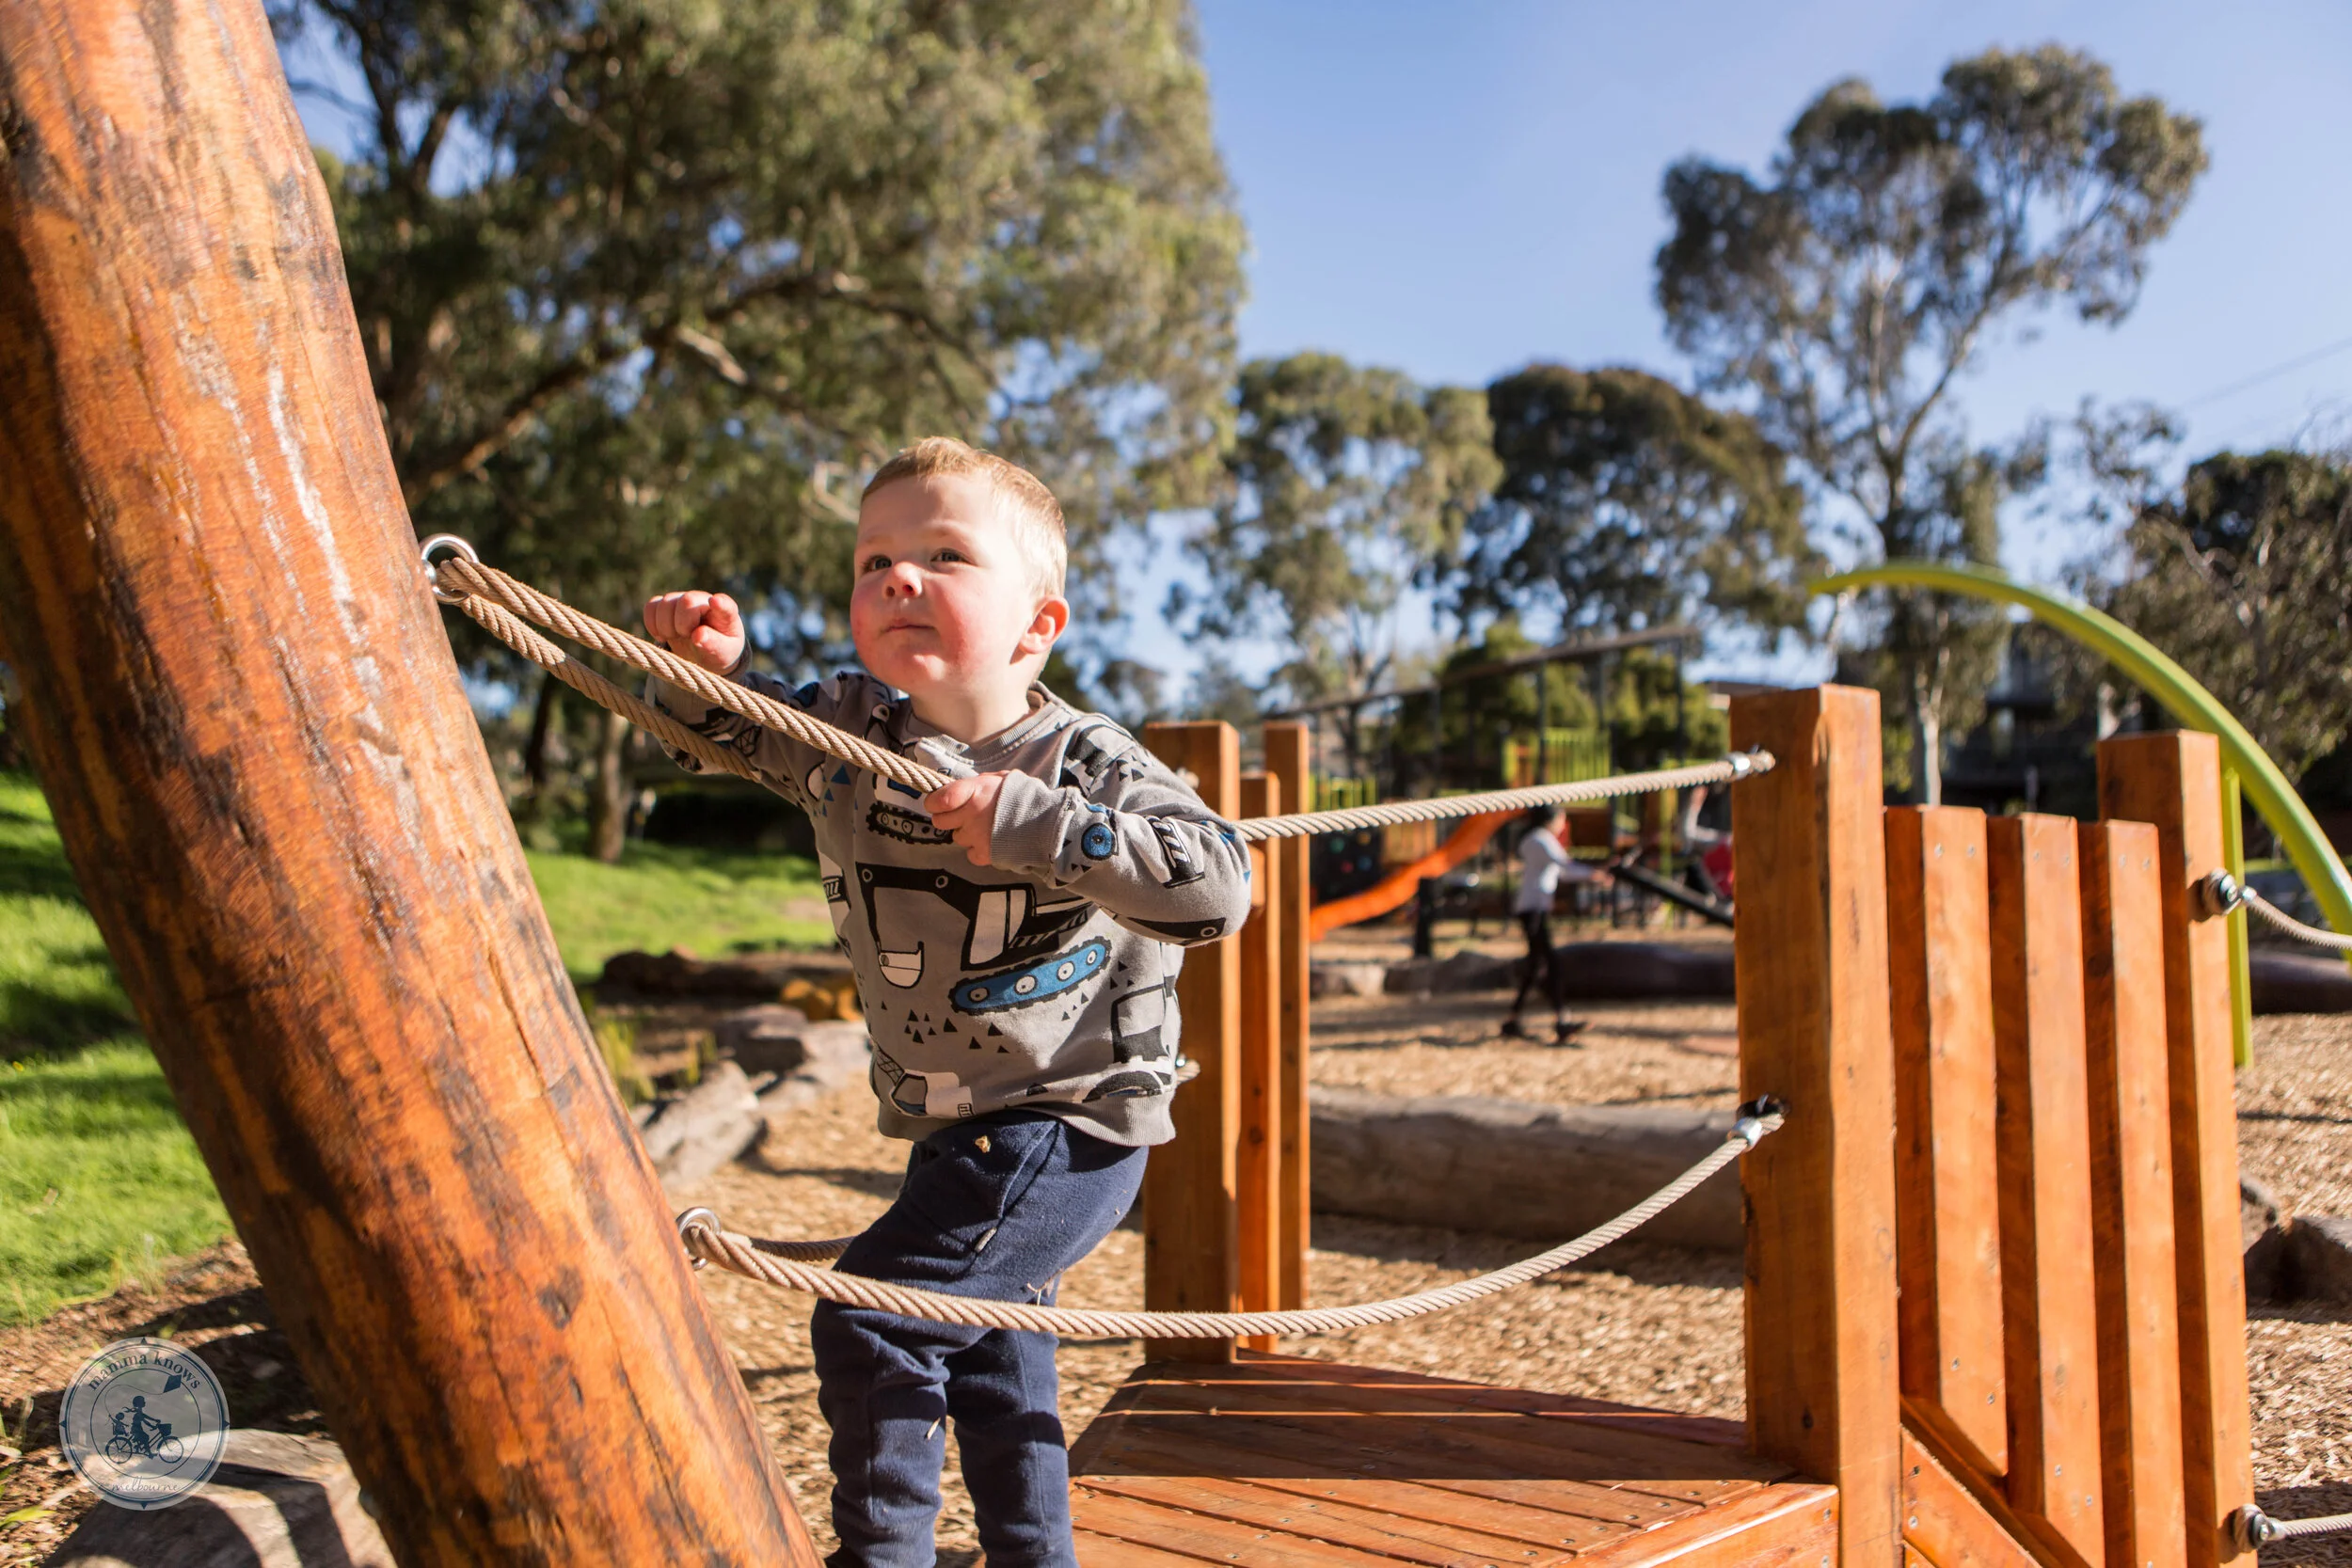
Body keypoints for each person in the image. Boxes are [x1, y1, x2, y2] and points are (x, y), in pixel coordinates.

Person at [643, 437, 1252, 1568]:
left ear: (1036, 625)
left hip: (1071, 1116)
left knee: (873, 1312)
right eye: (873, 558)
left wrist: (1041, 825)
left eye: (944, 553)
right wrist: (701, 671)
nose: (896, 577)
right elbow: (709, 738)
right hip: (955, 1119)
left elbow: (1217, 885)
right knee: (991, 1355)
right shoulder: (850, 732)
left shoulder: (1084, 759)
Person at [1502, 806, 1603, 1045]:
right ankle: (1561, 1021)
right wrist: (1594, 873)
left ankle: (1513, 1020)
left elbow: (1563, 873)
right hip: (1532, 909)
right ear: (1552, 819)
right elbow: (1566, 866)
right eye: (1562, 818)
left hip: (1534, 908)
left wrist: (1594, 874)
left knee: (1537, 965)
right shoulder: (1541, 840)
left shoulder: (1539, 840)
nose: (1563, 822)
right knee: (1551, 963)